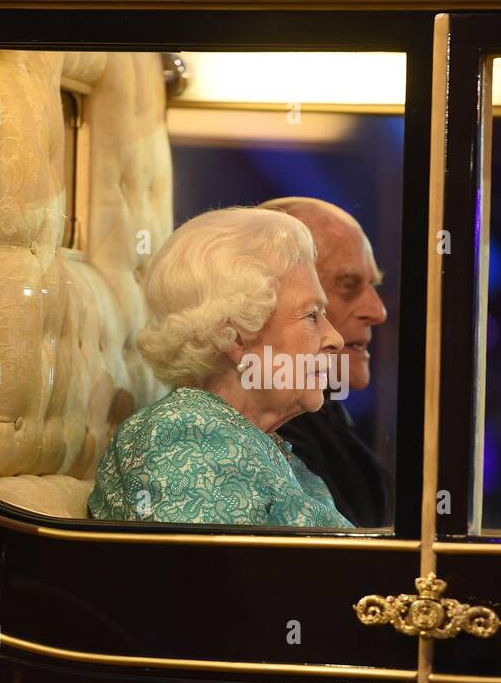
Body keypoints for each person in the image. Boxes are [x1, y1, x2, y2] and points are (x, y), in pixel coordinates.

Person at [88, 207, 352, 528]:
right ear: (236, 337)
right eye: (311, 315)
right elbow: (207, 575)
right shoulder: (186, 436)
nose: (335, 338)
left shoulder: (256, 440)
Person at [259, 197, 393, 527]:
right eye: (348, 285)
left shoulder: (323, 414)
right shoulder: (252, 436)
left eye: (373, 286)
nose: (378, 312)